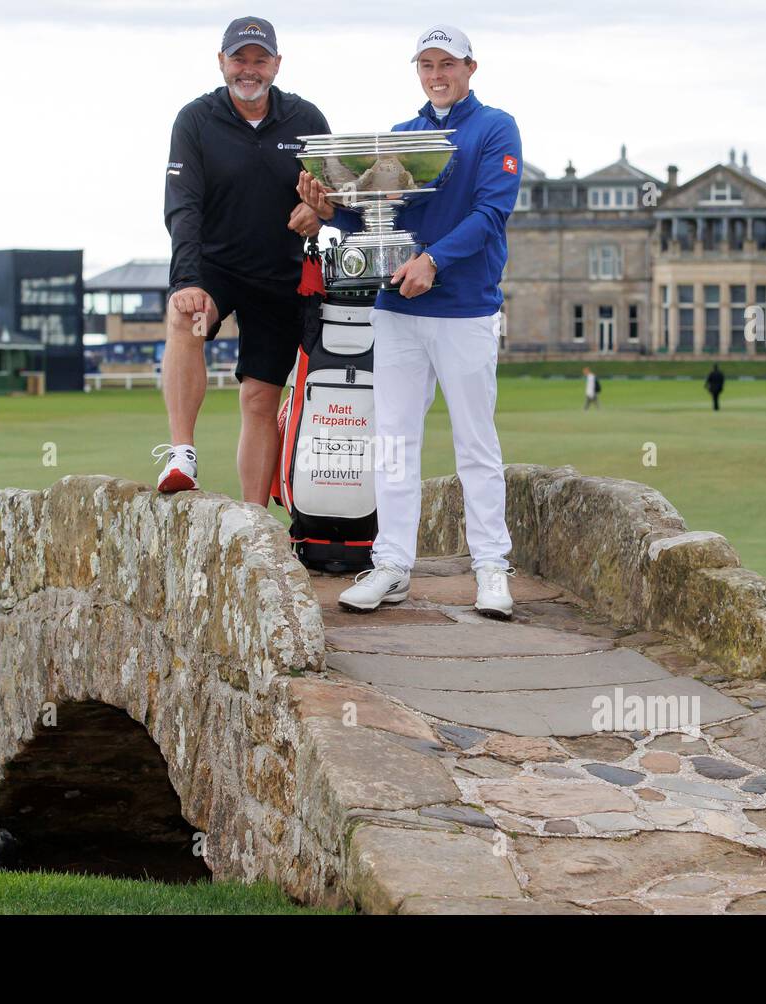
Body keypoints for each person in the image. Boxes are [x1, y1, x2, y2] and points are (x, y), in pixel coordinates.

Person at [297, 24, 520, 619]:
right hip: (396, 308)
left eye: (446, 63)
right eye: (426, 64)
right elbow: (377, 226)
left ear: (471, 67)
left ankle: (492, 569)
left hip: (465, 308)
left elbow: (491, 213)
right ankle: (392, 564)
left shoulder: (495, 127)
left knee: (475, 442)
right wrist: (330, 213)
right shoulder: (400, 138)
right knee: (393, 442)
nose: (436, 74)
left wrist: (434, 260)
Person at [155, 17, 332, 502]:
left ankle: (254, 524)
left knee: (259, 397)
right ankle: (182, 454)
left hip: (280, 274)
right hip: (215, 268)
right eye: (239, 59)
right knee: (186, 315)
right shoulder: (195, 119)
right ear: (222, 62)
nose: (248, 70)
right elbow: (182, 204)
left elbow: (334, 196)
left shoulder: (307, 120)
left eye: (259, 59)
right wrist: (186, 278)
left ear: (276, 64)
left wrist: (317, 210)